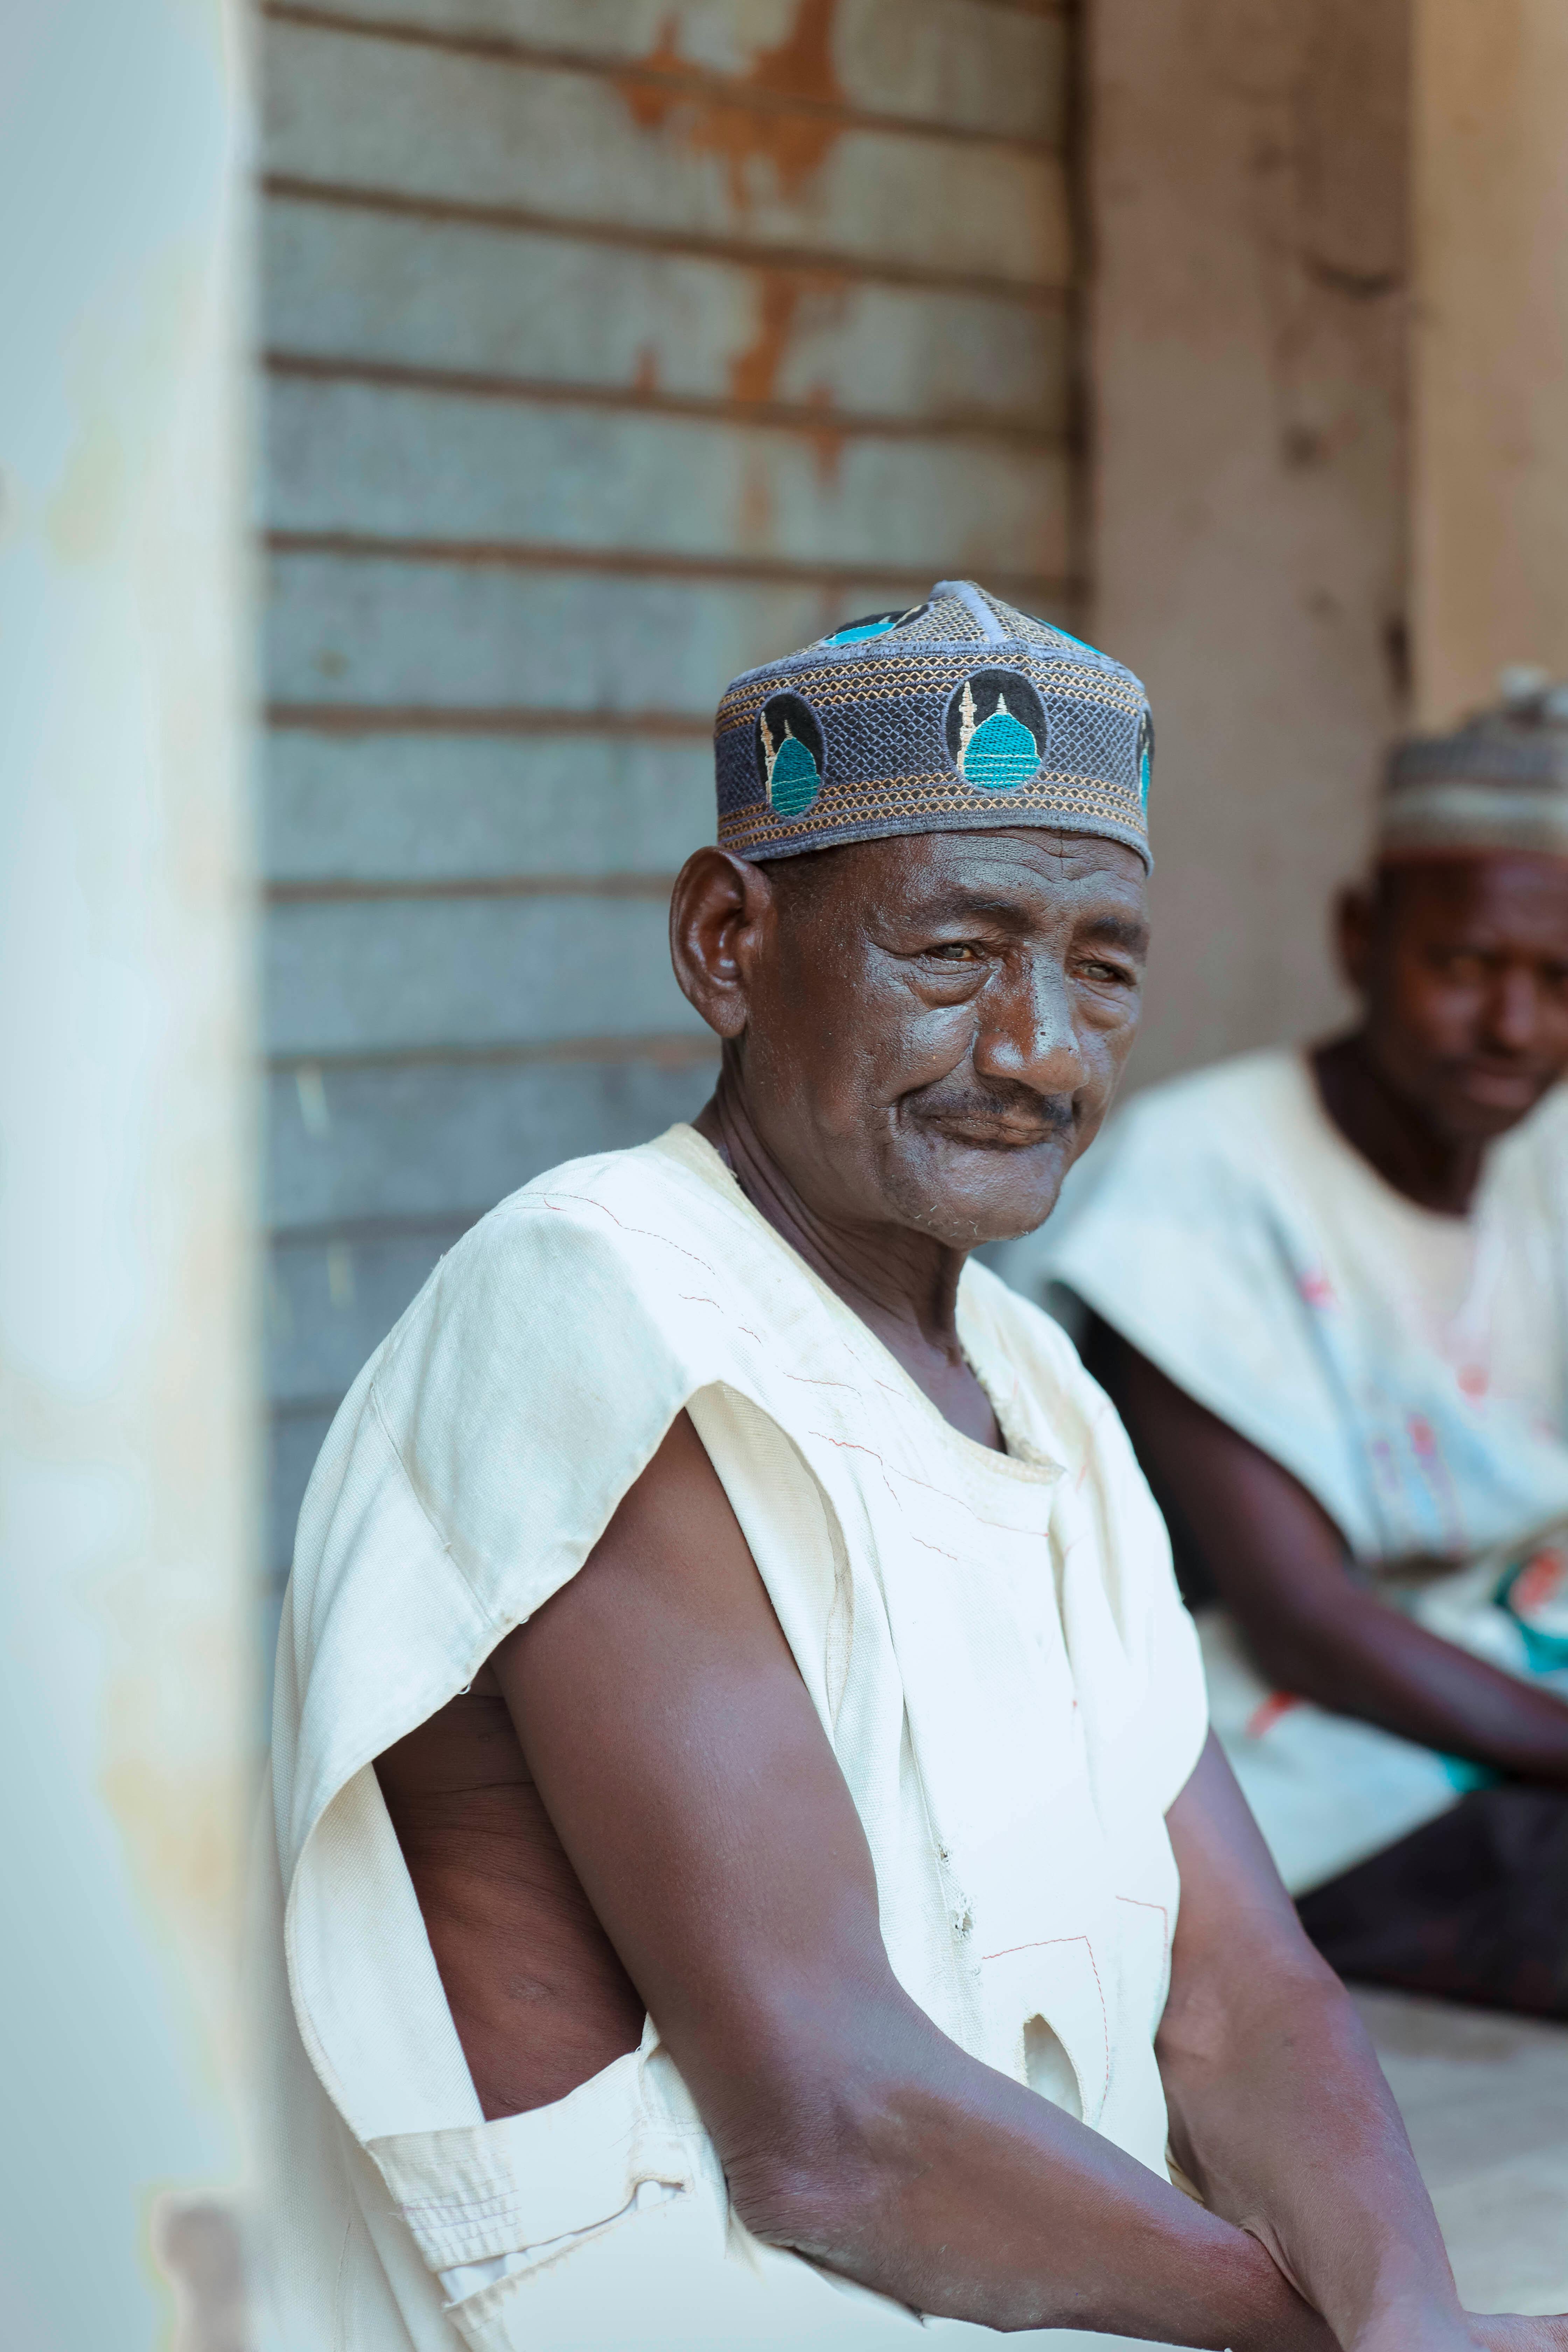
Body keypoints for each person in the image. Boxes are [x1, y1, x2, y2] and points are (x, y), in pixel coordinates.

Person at [251, 587, 1564, 2352]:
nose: (1035, 1051)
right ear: (728, 941)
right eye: (953, 952)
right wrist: (1326, 2335)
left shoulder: (1031, 1379)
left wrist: (1409, 2319)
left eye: (1101, 969)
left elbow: (1244, 1993)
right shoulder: (594, 1300)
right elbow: (831, 2133)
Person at [1000, 681, 1568, 2020]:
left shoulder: (1543, 1160)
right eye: (1466, 966)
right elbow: (1305, 1622)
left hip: (1504, 1670)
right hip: (1302, 1740)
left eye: (1559, 983)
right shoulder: (1198, 1179)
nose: (1513, 1028)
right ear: (1362, 940)